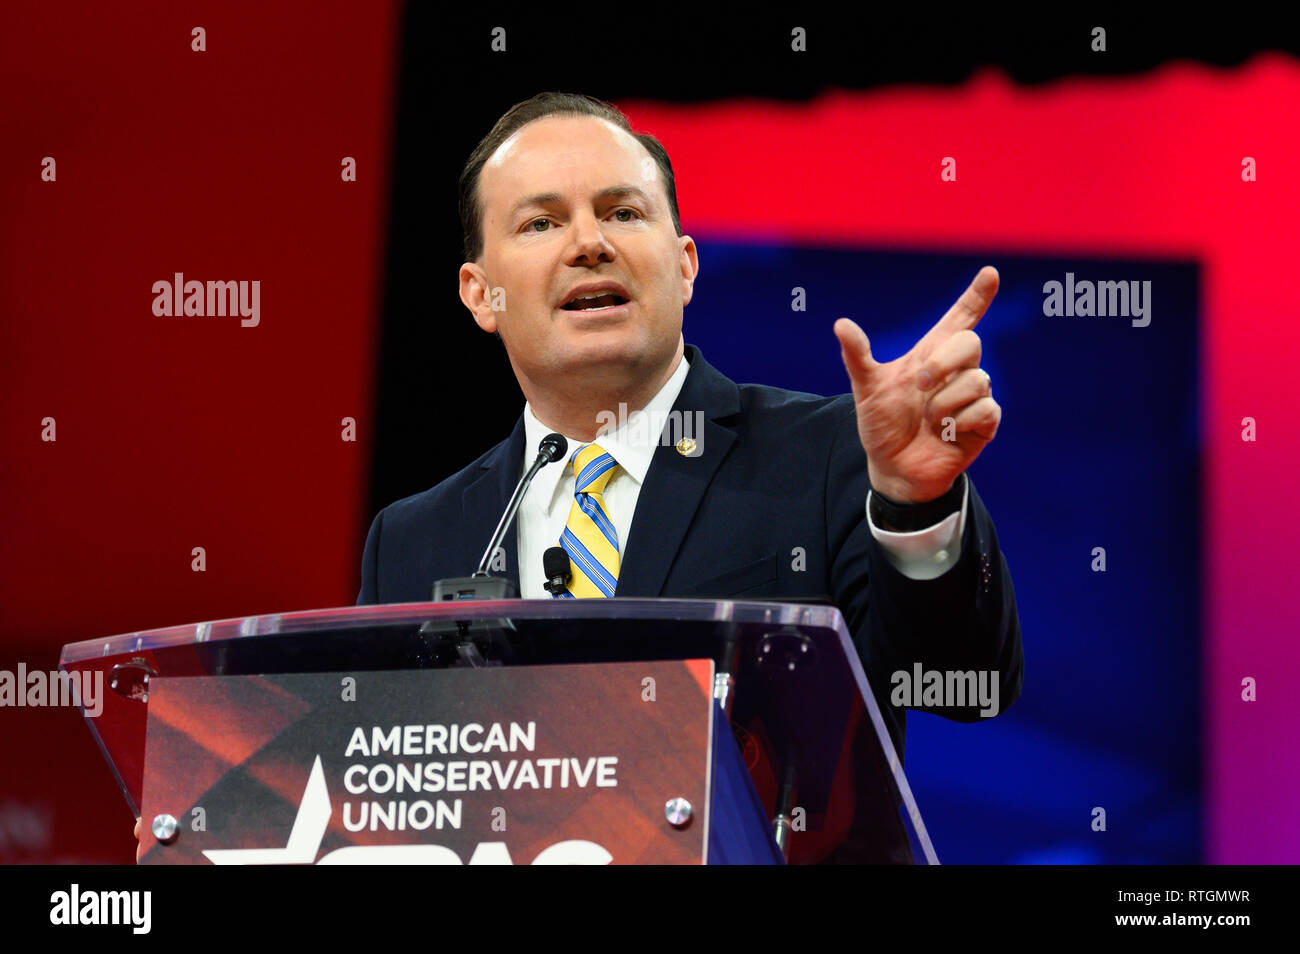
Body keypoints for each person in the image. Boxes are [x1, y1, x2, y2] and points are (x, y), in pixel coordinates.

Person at [356, 92, 1023, 760]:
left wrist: (915, 508)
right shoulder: (412, 541)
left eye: (623, 212)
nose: (590, 242)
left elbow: (966, 691)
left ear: (684, 267)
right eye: (541, 224)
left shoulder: (831, 457)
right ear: (479, 294)